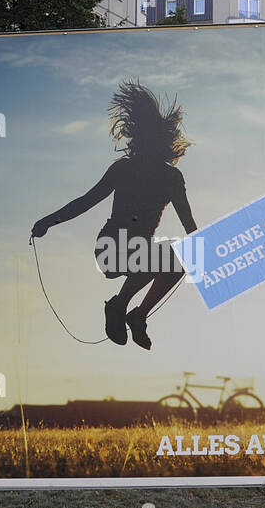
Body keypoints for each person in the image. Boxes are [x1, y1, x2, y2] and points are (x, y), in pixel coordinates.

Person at [31, 81, 197, 351]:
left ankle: (137, 314)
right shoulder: (125, 169)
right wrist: (49, 221)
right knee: (160, 256)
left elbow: (190, 227)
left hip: (139, 251)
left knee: (182, 255)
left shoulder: (172, 178)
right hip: (110, 249)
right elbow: (86, 202)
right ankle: (120, 305)